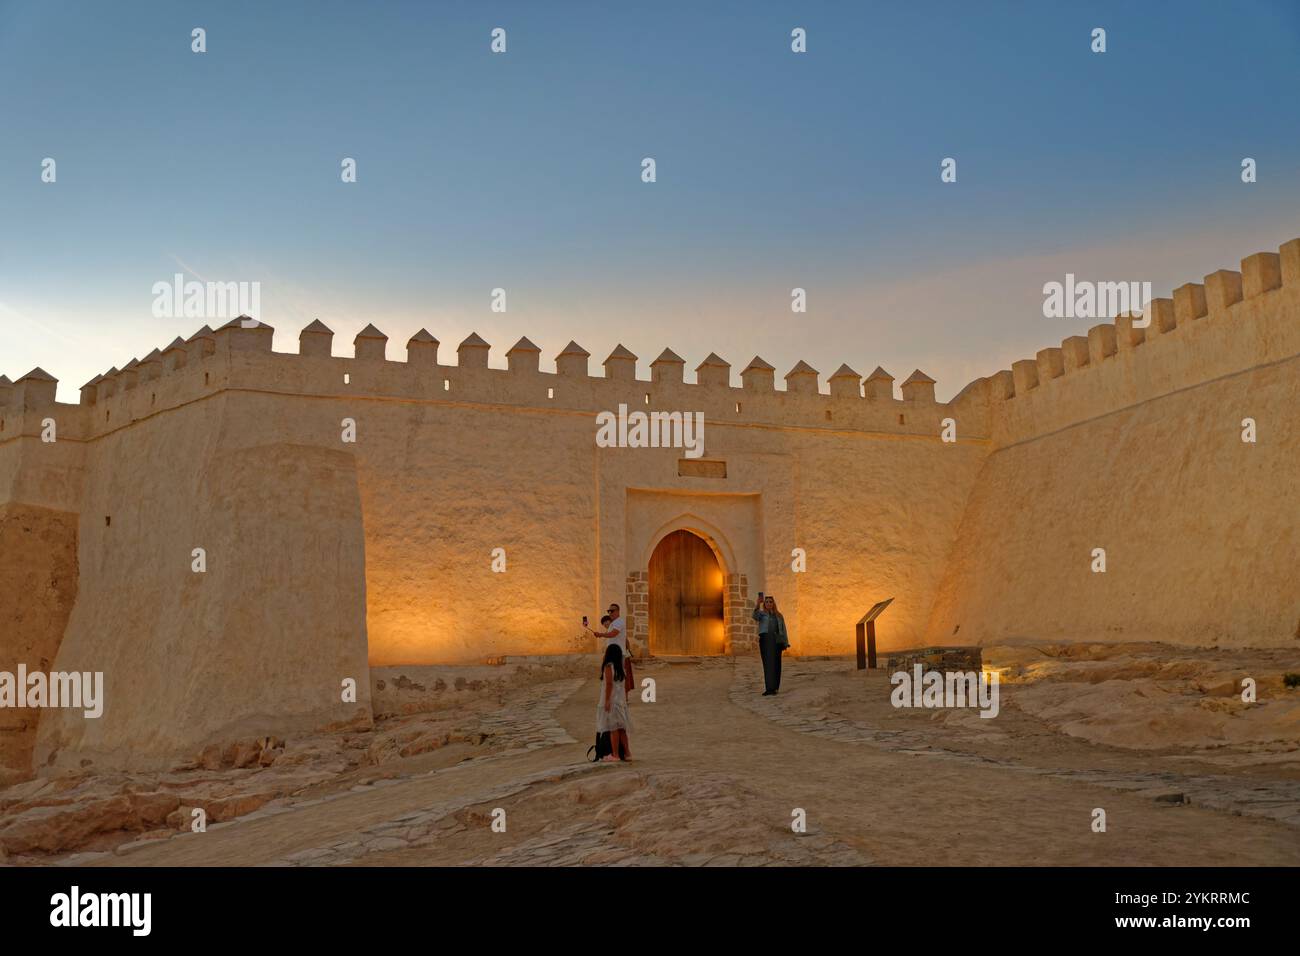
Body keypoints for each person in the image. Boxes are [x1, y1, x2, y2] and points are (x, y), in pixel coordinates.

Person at [596, 643, 632, 761]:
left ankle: (615, 754)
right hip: (620, 702)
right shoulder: (621, 668)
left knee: (613, 729)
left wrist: (607, 701)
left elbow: (609, 684)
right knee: (622, 729)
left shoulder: (608, 666)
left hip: (612, 702)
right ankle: (627, 753)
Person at [752, 593, 789, 695]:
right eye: (767, 602)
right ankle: (769, 689)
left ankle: (775, 688)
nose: (769, 603)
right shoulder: (762, 614)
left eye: (770, 602)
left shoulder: (779, 616)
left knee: (777, 664)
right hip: (765, 641)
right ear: (765, 604)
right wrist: (757, 604)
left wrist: (785, 642)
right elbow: (754, 616)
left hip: (777, 641)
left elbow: (784, 630)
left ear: (773, 603)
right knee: (768, 664)